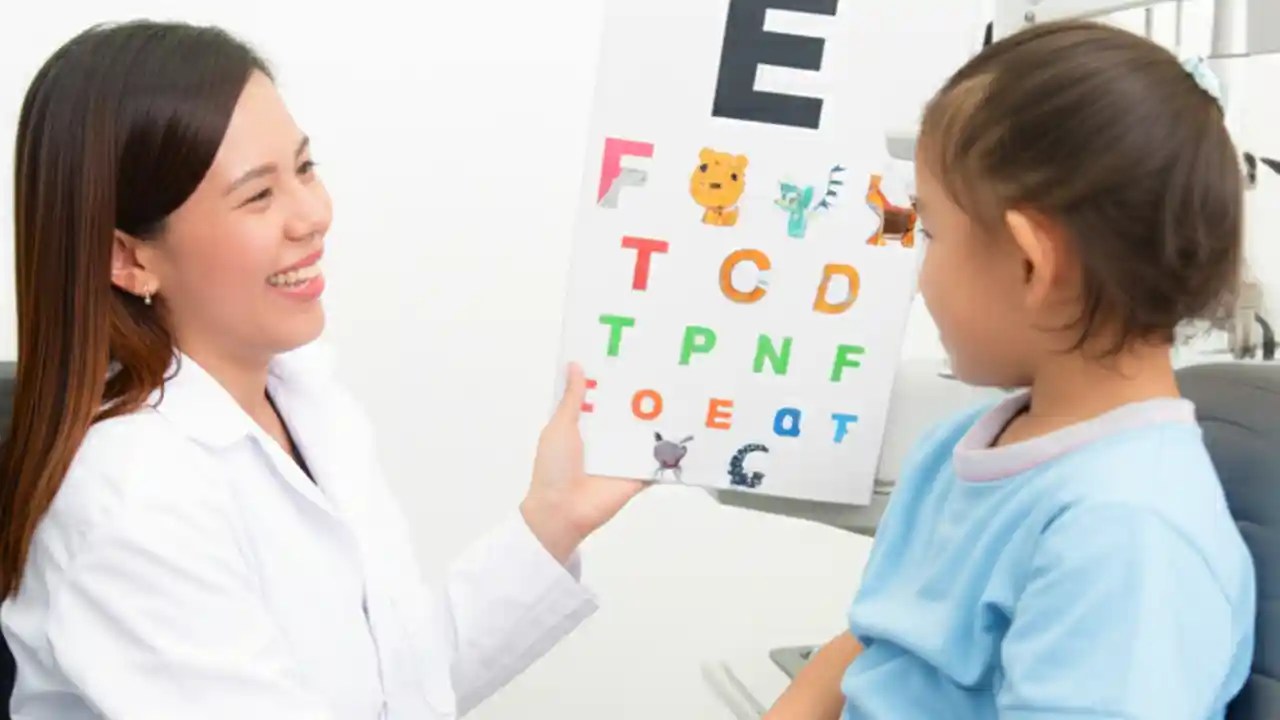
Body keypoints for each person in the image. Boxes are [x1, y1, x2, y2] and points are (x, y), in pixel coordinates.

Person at [0, 20, 645, 719]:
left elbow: (396, 691)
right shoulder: (130, 499)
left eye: (304, 169)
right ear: (128, 258)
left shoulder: (297, 398)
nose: (314, 215)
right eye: (257, 196)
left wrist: (555, 520)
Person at [766, 20, 1256, 720]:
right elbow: (870, 642)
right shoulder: (959, 449)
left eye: (930, 233)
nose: (919, 274)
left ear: (1033, 263)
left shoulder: (1126, 536)